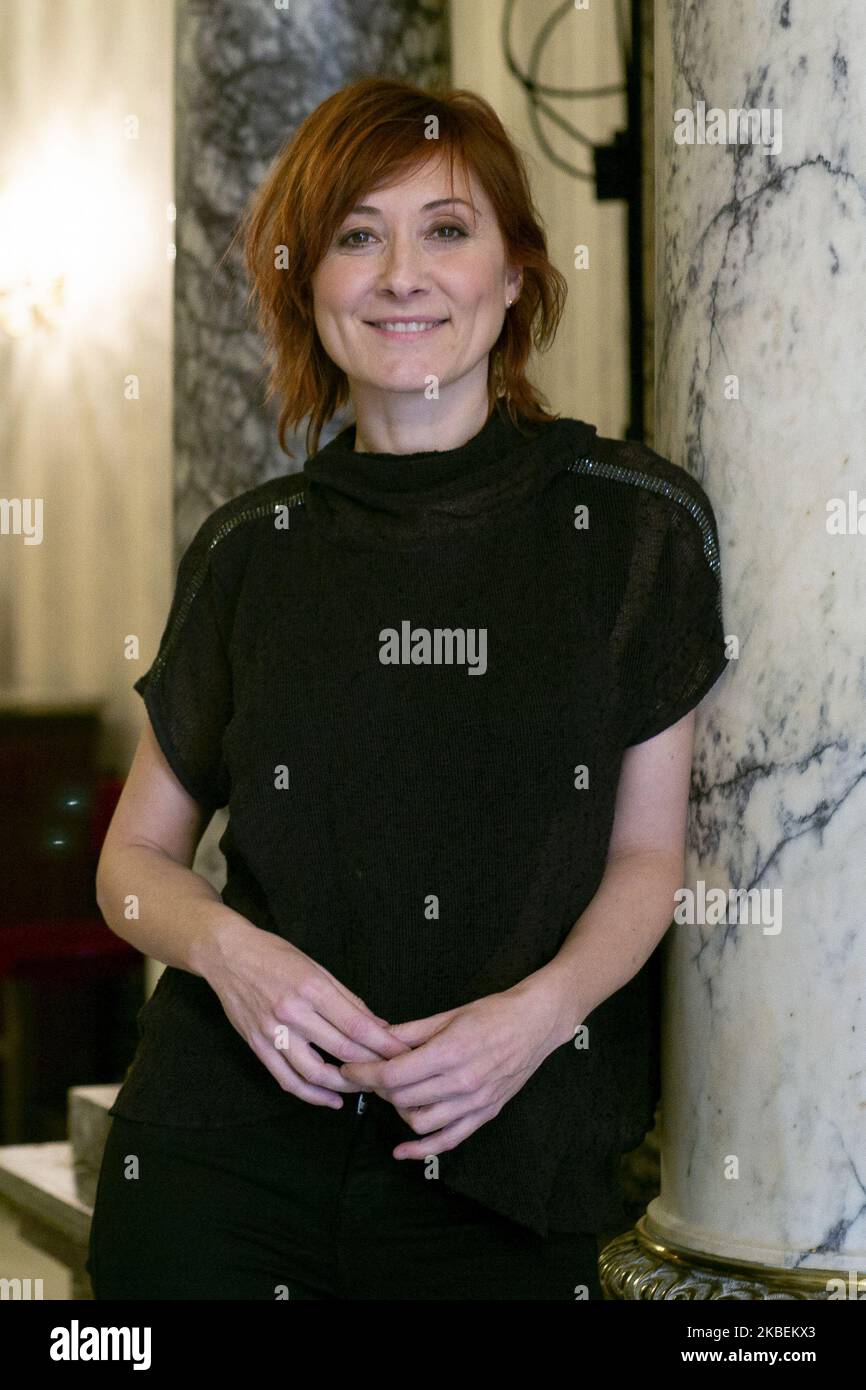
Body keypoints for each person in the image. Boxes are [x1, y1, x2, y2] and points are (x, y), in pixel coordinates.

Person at [87, 76, 731, 1301]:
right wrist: (235, 956)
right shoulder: (247, 548)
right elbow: (131, 867)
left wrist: (532, 1021)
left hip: (502, 1160)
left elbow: (651, 858)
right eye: (354, 236)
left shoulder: (634, 527)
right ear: (306, 283)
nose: (400, 274)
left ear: (513, 274)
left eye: (444, 229)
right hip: (217, 1163)